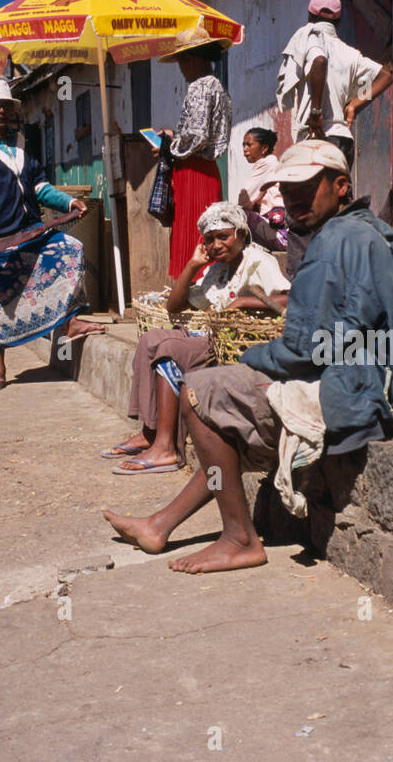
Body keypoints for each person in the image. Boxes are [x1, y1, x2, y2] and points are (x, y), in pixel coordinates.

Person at [102, 140, 393, 574]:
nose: (294, 201)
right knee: (227, 419)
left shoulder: (337, 242)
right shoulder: (363, 230)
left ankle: (239, 538)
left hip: (360, 388)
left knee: (199, 392)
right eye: (287, 192)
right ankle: (160, 524)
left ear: (341, 186)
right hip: (367, 374)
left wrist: (257, 358)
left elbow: (315, 345)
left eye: (307, 189)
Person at [103, 201, 289, 474]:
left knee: (169, 347)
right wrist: (193, 265)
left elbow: (288, 297)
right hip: (209, 335)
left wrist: (243, 302)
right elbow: (174, 306)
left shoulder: (259, 261)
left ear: (240, 233)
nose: (216, 245)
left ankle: (166, 446)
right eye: (210, 240)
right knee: (150, 340)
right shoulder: (217, 270)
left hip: (234, 342)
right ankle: (150, 432)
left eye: (223, 236)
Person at [0, 78, 104, 392]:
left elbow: (38, 187)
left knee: (70, 249)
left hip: (32, 230)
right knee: (3, 301)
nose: (2, 111)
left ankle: (69, 323)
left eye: (5, 105)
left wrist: (66, 201)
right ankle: (0, 368)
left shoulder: (20, 141)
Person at [276, 0, 393, 166]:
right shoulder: (350, 53)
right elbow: (385, 77)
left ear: (310, 15)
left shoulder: (309, 36)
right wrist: (355, 103)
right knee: (341, 192)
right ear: (338, 22)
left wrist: (316, 112)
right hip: (343, 139)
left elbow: (320, 61)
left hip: (318, 139)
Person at [158, 26, 234, 281]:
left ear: (195, 58)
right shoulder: (217, 87)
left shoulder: (200, 86)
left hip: (194, 171)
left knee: (195, 232)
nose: (181, 67)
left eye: (183, 59)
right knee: (207, 229)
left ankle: (191, 290)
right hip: (205, 169)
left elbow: (198, 135)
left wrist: (170, 145)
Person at [236, 127, 291, 256]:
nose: (245, 149)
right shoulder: (273, 163)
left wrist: (256, 198)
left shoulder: (266, 164)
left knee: (239, 215)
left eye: (249, 145)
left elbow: (244, 200)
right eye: (243, 145)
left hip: (281, 238)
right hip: (286, 236)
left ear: (264, 148)